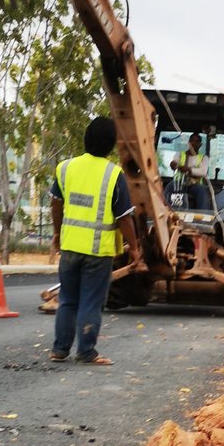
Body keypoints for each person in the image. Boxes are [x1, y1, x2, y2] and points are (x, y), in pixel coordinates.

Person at [49, 117, 142, 366]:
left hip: (69, 247)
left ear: (85, 139)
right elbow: (124, 218)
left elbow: (56, 203)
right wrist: (134, 249)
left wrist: (57, 234)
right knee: (91, 301)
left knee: (68, 299)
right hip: (98, 252)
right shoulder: (113, 174)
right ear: (111, 145)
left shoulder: (65, 168)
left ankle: (60, 350)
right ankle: (86, 351)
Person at [166, 132, 210, 210]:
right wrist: (174, 165)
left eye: (197, 141)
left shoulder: (204, 158)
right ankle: (163, 208)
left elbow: (203, 172)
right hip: (180, 183)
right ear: (189, 143)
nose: (194, 143)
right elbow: (175, 162)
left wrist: (189, 170)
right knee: (171, 185)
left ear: (200, 144)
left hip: (195, 185)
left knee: (202, 191)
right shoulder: (180, 154)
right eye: (192, 141)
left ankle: (203, 214)